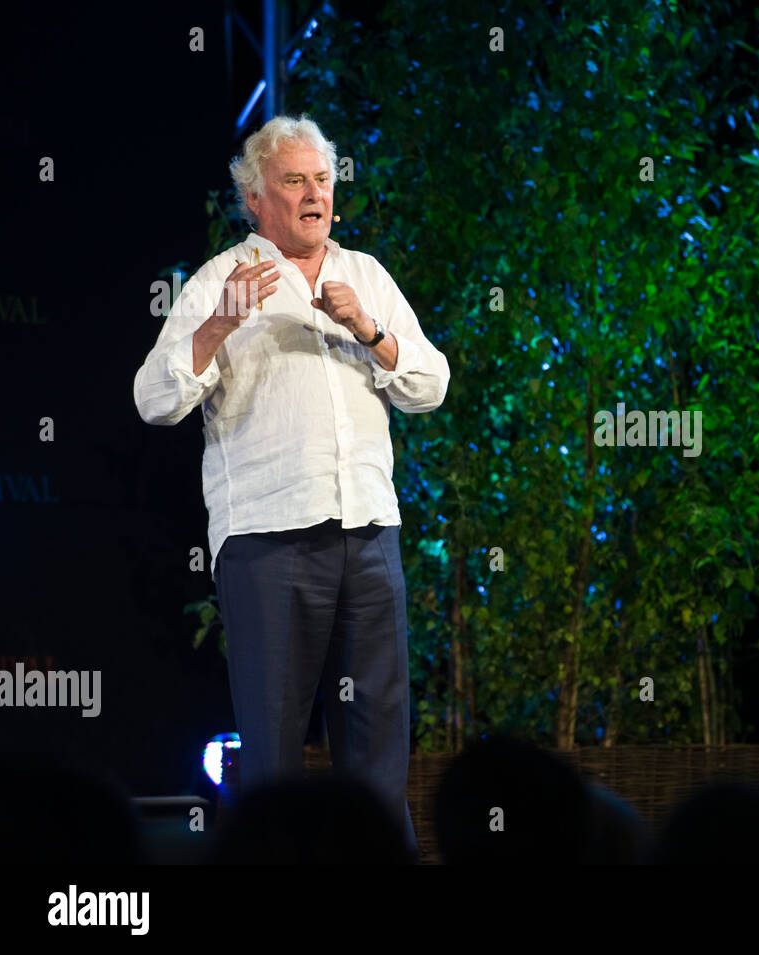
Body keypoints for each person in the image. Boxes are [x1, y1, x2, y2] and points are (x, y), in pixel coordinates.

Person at [133, 114, 450, 857]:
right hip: (268, 543)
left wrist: (370, 330)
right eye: (294, 182)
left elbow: (431, 383)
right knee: (274, 751)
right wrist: (217, 327)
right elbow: (153, 399)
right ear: (254, 198)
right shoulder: (220, 281)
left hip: (369, 533)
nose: (314, 195)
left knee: (378, 748)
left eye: (322, 181)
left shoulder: (364, 274)